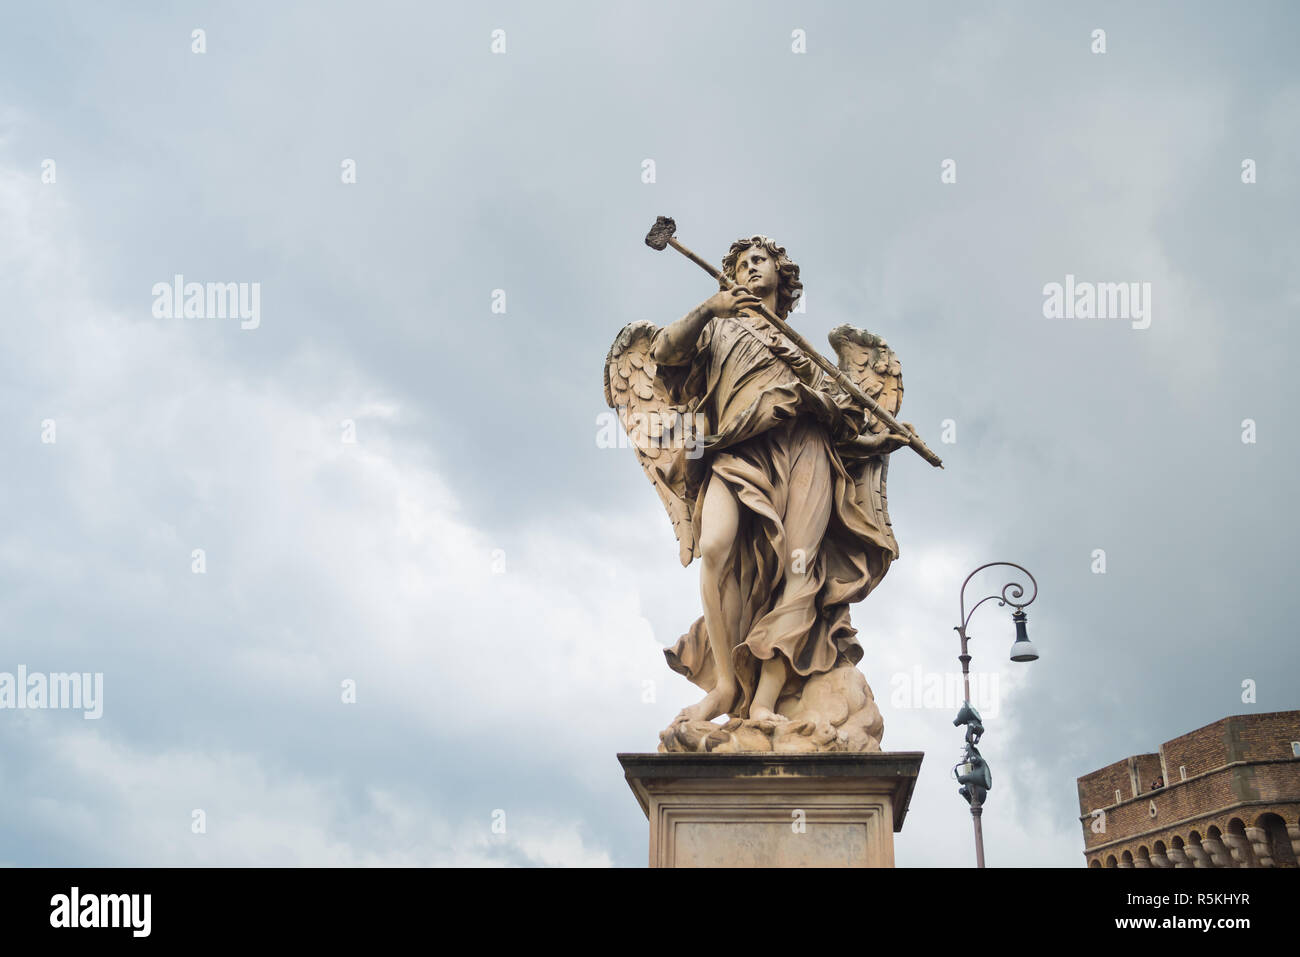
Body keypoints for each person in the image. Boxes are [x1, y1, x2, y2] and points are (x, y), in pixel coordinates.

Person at [649, 235, 910, 725]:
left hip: (805, 452)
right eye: (741, 263)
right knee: (717, 547)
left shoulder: (803, 350)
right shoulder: (717, 330)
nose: (750, 268)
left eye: (760, 261)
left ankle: (766, 699)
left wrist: (881, 442)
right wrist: (710, 307)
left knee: (798, 570)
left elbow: (844, 427)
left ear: (780, 274)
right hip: (736, 449)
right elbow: (664, 352)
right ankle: (726, 686)